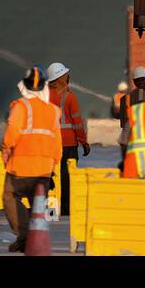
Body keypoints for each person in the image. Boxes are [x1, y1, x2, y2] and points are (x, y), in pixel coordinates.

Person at [1, 65, 62, 252]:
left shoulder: (20, 107)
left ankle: (25, 235)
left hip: (21, 167)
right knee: (37, 204)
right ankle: (33, 238)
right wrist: (53, 163)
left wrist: (5, 150)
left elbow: (12, 132)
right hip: (44, 169)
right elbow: (57, 142)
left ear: (24, 85)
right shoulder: (53, 111)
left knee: (10, 196)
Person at [47, 62, 89, 216]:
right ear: (59, 79)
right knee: (67, 178)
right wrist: (84, 142)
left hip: (50, 144)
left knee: (50, 178)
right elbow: (77, 123)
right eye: (65, 75)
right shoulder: (70, 97)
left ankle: (50, 211)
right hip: (69, 144)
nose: (68, 76)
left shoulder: (44, 97)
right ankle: (65, 210)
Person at [119, 67, 145, 161]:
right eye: (140, 80)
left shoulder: (125, 99)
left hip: (138, 143)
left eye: (142, 80)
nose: (141, 83)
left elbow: (124, 127)